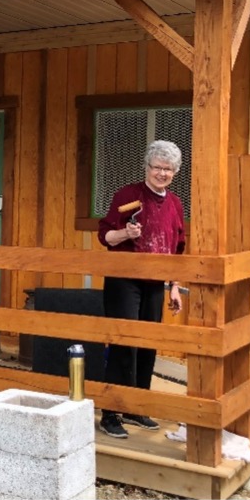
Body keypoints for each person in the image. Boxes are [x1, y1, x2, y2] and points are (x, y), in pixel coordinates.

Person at [97, 140, 186, 439]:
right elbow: (106, 236)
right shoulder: (129, 195)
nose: (162, 173)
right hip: (124, 280)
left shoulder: (174, 203)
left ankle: (137, 407)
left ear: (175, 172)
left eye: (168, 169)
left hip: (155, 284)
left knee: (148, 344)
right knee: (124, 343)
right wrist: (125, 233)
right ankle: (111, 413)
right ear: (147, 167)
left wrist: (175, 285)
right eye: (157, 167)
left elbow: (178, 248)